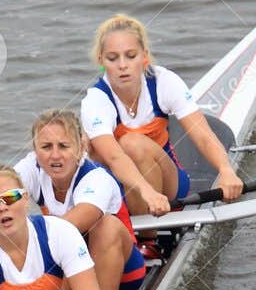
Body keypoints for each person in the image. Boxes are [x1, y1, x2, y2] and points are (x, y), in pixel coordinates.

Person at [82, 14, 244, 218]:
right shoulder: (95, 99)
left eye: (131, 56)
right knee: (114, 147)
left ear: (144, 56)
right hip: (122, 186)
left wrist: (226, 170)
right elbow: (114, 157)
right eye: (112, 58)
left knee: (132, 143)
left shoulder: (163, 82)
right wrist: (146, 191)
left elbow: (202, 134)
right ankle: (144, 226)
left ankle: (148, 232)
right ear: (101, 60)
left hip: (170, 183)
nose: (122, 65)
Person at [15, 109, 147, 290]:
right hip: (69, 270)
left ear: (80, 148)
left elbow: (70, 225)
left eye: (63, 146)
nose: (55, 155)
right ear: (35, 150)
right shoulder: (30, 168)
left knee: (105, 226)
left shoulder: (97, 178)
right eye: (46, 147)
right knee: (4, 210)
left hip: (121, 274)